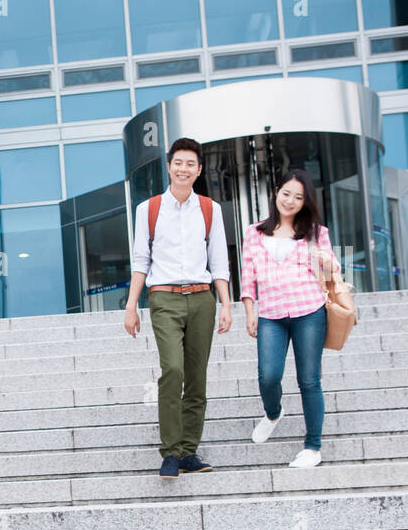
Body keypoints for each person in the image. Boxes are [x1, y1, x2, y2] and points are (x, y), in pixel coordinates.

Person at [124, 137, 233, 479]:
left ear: (199, 170)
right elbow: (141, 260)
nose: (183, 169)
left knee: (197, 378)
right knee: (173, 370)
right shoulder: (149, 209)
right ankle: (170, 451)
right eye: (178, 163)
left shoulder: (210, 209)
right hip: (165, 298)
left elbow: (219, 260)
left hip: (203, 298)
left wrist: (226, 303)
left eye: (190, 164)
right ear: (169, 166)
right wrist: (131, 306)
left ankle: (189, 451)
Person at [240, 168, 338, 467]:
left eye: (298, 197)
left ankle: (313, 447)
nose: (291, 201)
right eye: (286, 193)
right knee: (268, 376)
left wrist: (323, 258)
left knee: (309, 380)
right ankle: (273, 412)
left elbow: (333, 269)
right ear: (275, 192)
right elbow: (247, 276)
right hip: (270, 314)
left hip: (309, 311)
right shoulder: (254, 232)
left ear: (305, 201)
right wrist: (249, 310)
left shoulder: (316, 232)